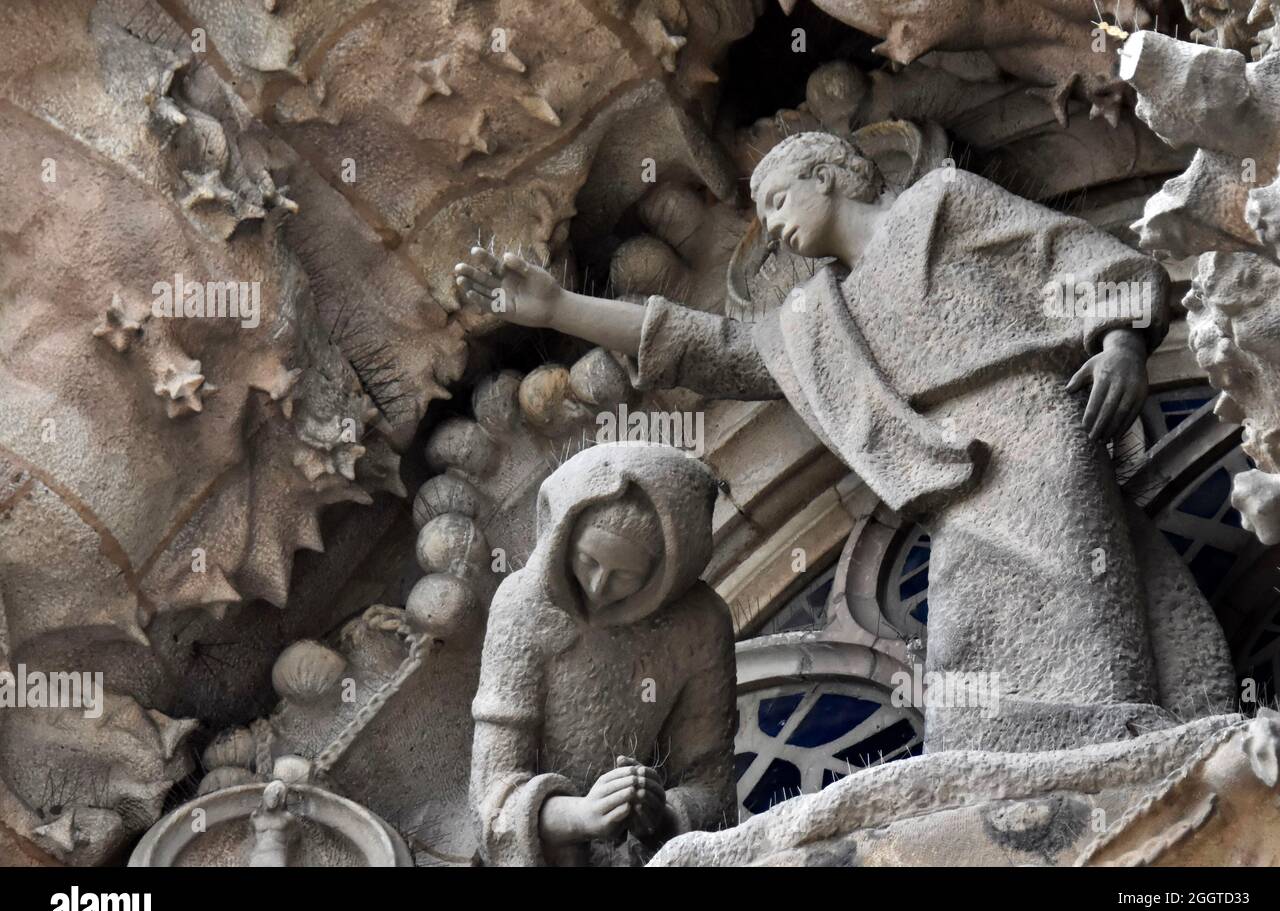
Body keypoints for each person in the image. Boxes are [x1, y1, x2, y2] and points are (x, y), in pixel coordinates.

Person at [455, 131, 1236, 753]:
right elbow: (708, 345)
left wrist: (1124, 342)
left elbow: (1062, 253)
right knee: (972, 627)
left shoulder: (941, 201)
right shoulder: (818, 318)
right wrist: (559, 307)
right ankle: (1026, 766)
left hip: (1031, 429)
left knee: (1076, 591)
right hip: (954, 486)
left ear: (828, 173)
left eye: (777, 197)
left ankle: (1110, 741)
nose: (776, 226)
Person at [469, 442, 736, 866]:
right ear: (563, 535)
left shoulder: (699, 625)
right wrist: (582, 816)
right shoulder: (524, 604)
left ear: (665, 573)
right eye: (587, 560)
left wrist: (661, 815)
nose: (596, 586)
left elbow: (712, 786)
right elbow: (492, 798)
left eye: (624, 575)